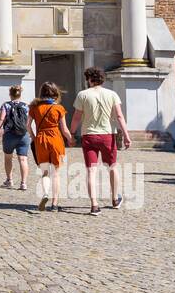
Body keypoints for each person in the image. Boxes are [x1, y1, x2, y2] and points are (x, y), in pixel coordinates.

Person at [71, 67, 132, 215]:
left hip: (89, 136)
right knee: (112, 167)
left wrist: (71, 134)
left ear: (89, 79)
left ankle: (94, 205)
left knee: (91, 171)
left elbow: (77, 118)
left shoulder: (82, 95)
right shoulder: (112, 95)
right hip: (107, 135)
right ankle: (115, 199)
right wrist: (126, 135)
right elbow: (119, 116)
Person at [29, 83, 71, 212]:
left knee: (45, 172)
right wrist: (71, 138)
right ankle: (54, 203)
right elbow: (64, 129)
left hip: (41, 139)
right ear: (55, 93)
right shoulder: (59, 108)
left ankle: (46, 193)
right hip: (55, 139)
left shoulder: (34, 107)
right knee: (56, 173)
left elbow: (27, 125)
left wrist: (34, 137)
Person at [0, 86, 31, 189]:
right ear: (20, 94)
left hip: (9, 135)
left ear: (10, 94)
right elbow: (28, 122)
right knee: (23, 159)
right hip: (23, 135)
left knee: (8, 157)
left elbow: (1, 119)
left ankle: (9, 180)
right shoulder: (26, 106)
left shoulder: (6, 105)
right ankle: (23, 183)